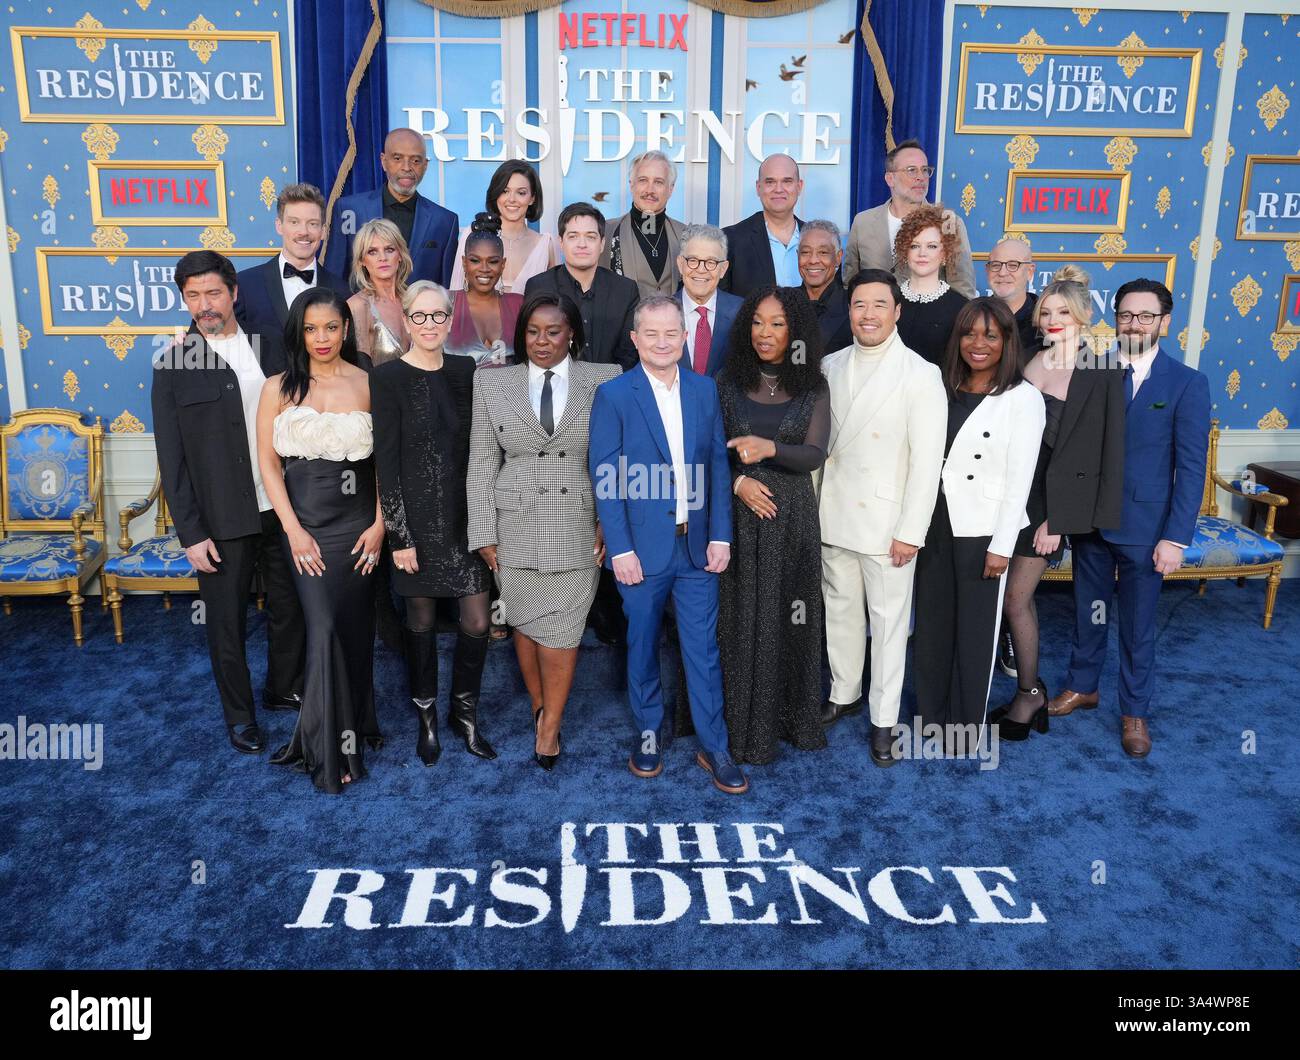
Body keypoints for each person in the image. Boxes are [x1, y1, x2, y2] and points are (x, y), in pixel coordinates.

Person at [589, 295, 748, 795]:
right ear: (635, 340)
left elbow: (719, 468)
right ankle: (649, 734)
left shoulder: (704, 391)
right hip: (640, 549)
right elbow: (608, 478)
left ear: (685, 337)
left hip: (696, 548)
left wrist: (721, 533)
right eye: (650, 334)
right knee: (641, 647)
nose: (662, 342)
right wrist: (620, 549)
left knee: (702, 649)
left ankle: (713, 744)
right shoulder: (614, 395)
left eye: (671, 333)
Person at [151, 251, 304, 756]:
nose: (203, 305)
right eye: (192, 295)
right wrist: (191, 533)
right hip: (220, 519)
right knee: (226, 623)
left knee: (290, 607)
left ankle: (282, 688)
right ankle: (240, 717)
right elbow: (171, 458)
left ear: (234, 293)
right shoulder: (174, 361)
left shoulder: (270, 346)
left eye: (212, 293)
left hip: (282, 508)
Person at [1050, 279, 1210, 758]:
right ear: (1114, 318)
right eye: (1125, 315)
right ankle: (1083, 686)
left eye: (1144, 316)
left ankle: (1134, 711)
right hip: (1091, 518)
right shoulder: (1090, 368)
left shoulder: (1186, 383)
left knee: (1138, 624)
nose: (1133, 324)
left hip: (1146, 529)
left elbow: (1191, 466)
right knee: (1087, 610)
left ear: (1164, 322)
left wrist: (1176, 538)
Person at [466, 293, 620, 770]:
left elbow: (616, 457)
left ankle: (550, 725)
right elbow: (482, 463)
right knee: (526, 623)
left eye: (554, 331)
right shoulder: (493, 384)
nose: (542, 341)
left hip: (579, 526)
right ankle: (539, 707)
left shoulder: (605, 379)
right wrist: (482, 530)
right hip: (515, 526)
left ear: (572, 332)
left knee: (563, 630)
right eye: (533, 332)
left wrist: (611, 522)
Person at [255, 289, 383, 793]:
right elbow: (268, 463)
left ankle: (357, 726)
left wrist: (380, 526)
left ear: (346, 330)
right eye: (311, 329)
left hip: (359, 528)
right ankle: (333, 750)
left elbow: (382, 465)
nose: (322, 338)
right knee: (323, 626)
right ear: (299, 333)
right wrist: (292, 529)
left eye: (331, 327)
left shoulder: (369, 383)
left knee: (354, 629)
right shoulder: (278, 388)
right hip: (304, 528)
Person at [818, 269, 946, 767]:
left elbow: (926, 459)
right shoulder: (829, 364)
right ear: (849, 311)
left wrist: (911, 532)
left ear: (897, 312)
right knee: (840, 610)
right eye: (858, 305)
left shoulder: (920, 374)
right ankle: (844, 691)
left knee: (889, 625)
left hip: (888, 526)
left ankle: (884, 718)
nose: (867, 314)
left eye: (878, 305)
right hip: (835, 513)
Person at [994, 265, 1125, 735]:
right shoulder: (1030, 359)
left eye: (1063, 313)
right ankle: (1026, 692)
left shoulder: (1104, 369)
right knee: (996, 599)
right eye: (1046, 311)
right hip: (1008, 495)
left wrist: (1057, 523)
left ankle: (1030, 694)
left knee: (1016, 601)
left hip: (1046, 508)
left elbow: (1103, 454)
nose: (1052, 320)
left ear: (1084, 316)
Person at [371, 281, 498, 766]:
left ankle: (464, 715)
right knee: (420, 623)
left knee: (478, 620)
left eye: (438, 316)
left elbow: (483, 449)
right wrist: (399, 535)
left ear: (450, 320)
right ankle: (426, 717)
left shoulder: (467, 370)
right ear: (405, 320)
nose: (429, 325)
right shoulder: (386, 379)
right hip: (415, 525)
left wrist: (487, 521)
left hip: (466, 519)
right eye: (419, 316)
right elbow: (386, 461)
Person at [913, 298, 1044, 741]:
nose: (978, 343)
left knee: (975, 633)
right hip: (933, 522)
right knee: (931, 626)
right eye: (969, 333)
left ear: (1008, 340)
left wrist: (1002, 546)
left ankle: (964, 725)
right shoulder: (940, 385)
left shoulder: (1023, 398)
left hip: (983, 530)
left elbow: (1020, 479)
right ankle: (930, 718)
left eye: (991, 334)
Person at [717, 286, 830, 764]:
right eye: (758, 322)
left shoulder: (813, 386)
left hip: (792, 521)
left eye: (778, 324)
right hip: (737, 519)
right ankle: (732, 722)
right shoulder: (725, 382)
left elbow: (814, 453)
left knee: (790, 614)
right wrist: (738, 482)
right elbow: (707, 453)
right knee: (735, 618)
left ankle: (785, 719)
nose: (766, 333)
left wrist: (769, 449)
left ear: (796, 332)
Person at [234, 183, 352, 365]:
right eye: (294, 222)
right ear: (279, 226)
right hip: (263, 391)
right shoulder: (245, 284)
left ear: (323, 231)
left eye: (312, 224)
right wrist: (185, 342)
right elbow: (221, 337)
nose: (303, 232)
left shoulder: (342, 291)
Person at [323, 127, 458, 286]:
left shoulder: (445, 221)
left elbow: (447, 289)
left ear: (425, 165)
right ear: (383, 161)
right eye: (397, 158)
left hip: (421, 311)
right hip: (362, 310)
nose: (407, 168)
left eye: (415, 160)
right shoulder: (349, 210)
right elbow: (333, 278)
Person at [843, 138, 977, 298]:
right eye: (912, 170)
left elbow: (962, 289)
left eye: (925, 170)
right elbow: (850, 283)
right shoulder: (863, 222)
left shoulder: (947, 221)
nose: (921, 177)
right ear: (890, 179)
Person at [523, 202, 639, 370]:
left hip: (612, 387)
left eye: (590, 236)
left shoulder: (625, 290)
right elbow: (535, 348)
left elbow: (629, 353)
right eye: (573, 236)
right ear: (561, 242)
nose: (582, 244)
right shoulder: (539, 286)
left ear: (602, 243)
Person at [449, 160, 557, 295]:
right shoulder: (472, 235)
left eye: (521, 193)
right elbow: (456, 293)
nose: (511, 199)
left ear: (532, 198)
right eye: (505, 191)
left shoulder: (545, 245)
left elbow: (553, 304)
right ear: (496, 194)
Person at [600, 150, 686, 298]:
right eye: (643, 180)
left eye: (658, 182)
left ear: (670, 189)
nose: (649, 190)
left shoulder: (687, 235)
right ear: (631, 185)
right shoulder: (605, 232)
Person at [895, 204, 970, 367]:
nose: (922, 253)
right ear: (905, 253)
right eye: (914, 246)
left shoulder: (961, 308)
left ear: (944, 254)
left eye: (932, 246)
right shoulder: (889, 300)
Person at [722, 153, 805, 298]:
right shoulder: (731, 240)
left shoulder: (819, 240)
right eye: (770, 182)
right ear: (758, 187)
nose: (778, 189)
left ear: (799, 186)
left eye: (787, 181)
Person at [448, 212, 524, 368]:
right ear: (464, 262)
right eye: (475, 260)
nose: (484, 269)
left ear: (503, 264)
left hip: (509, 391)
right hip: (456, 392)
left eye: (493, 261)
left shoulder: (519, 305)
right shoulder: (446, 304)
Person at [677, 223, 743, 377]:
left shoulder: (742, 312)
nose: (701, 269)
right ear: (680, 264)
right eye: (693, 260)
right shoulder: (661, 312)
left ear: (723, 269)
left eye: (711, 262)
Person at [347, 218, 412, 366]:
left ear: (400, 255)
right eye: (372, 252)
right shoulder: (358, 306)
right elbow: (359, 371)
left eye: (389, 250)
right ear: (361, 260)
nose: (383, 258)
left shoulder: (415, 300)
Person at [796, 220, 852, 355]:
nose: (813, 260)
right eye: (805, 252)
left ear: (838, 257)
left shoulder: (852, 305)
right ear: (797, 255)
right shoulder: (782, 302)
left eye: (823, 252)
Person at [986, 235, 1040, 360]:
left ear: (1030, 271)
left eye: (1013, 265)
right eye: (995, 265)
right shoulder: (972, 316)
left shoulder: (1045, 322)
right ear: (987, 270)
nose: (1002, 273)